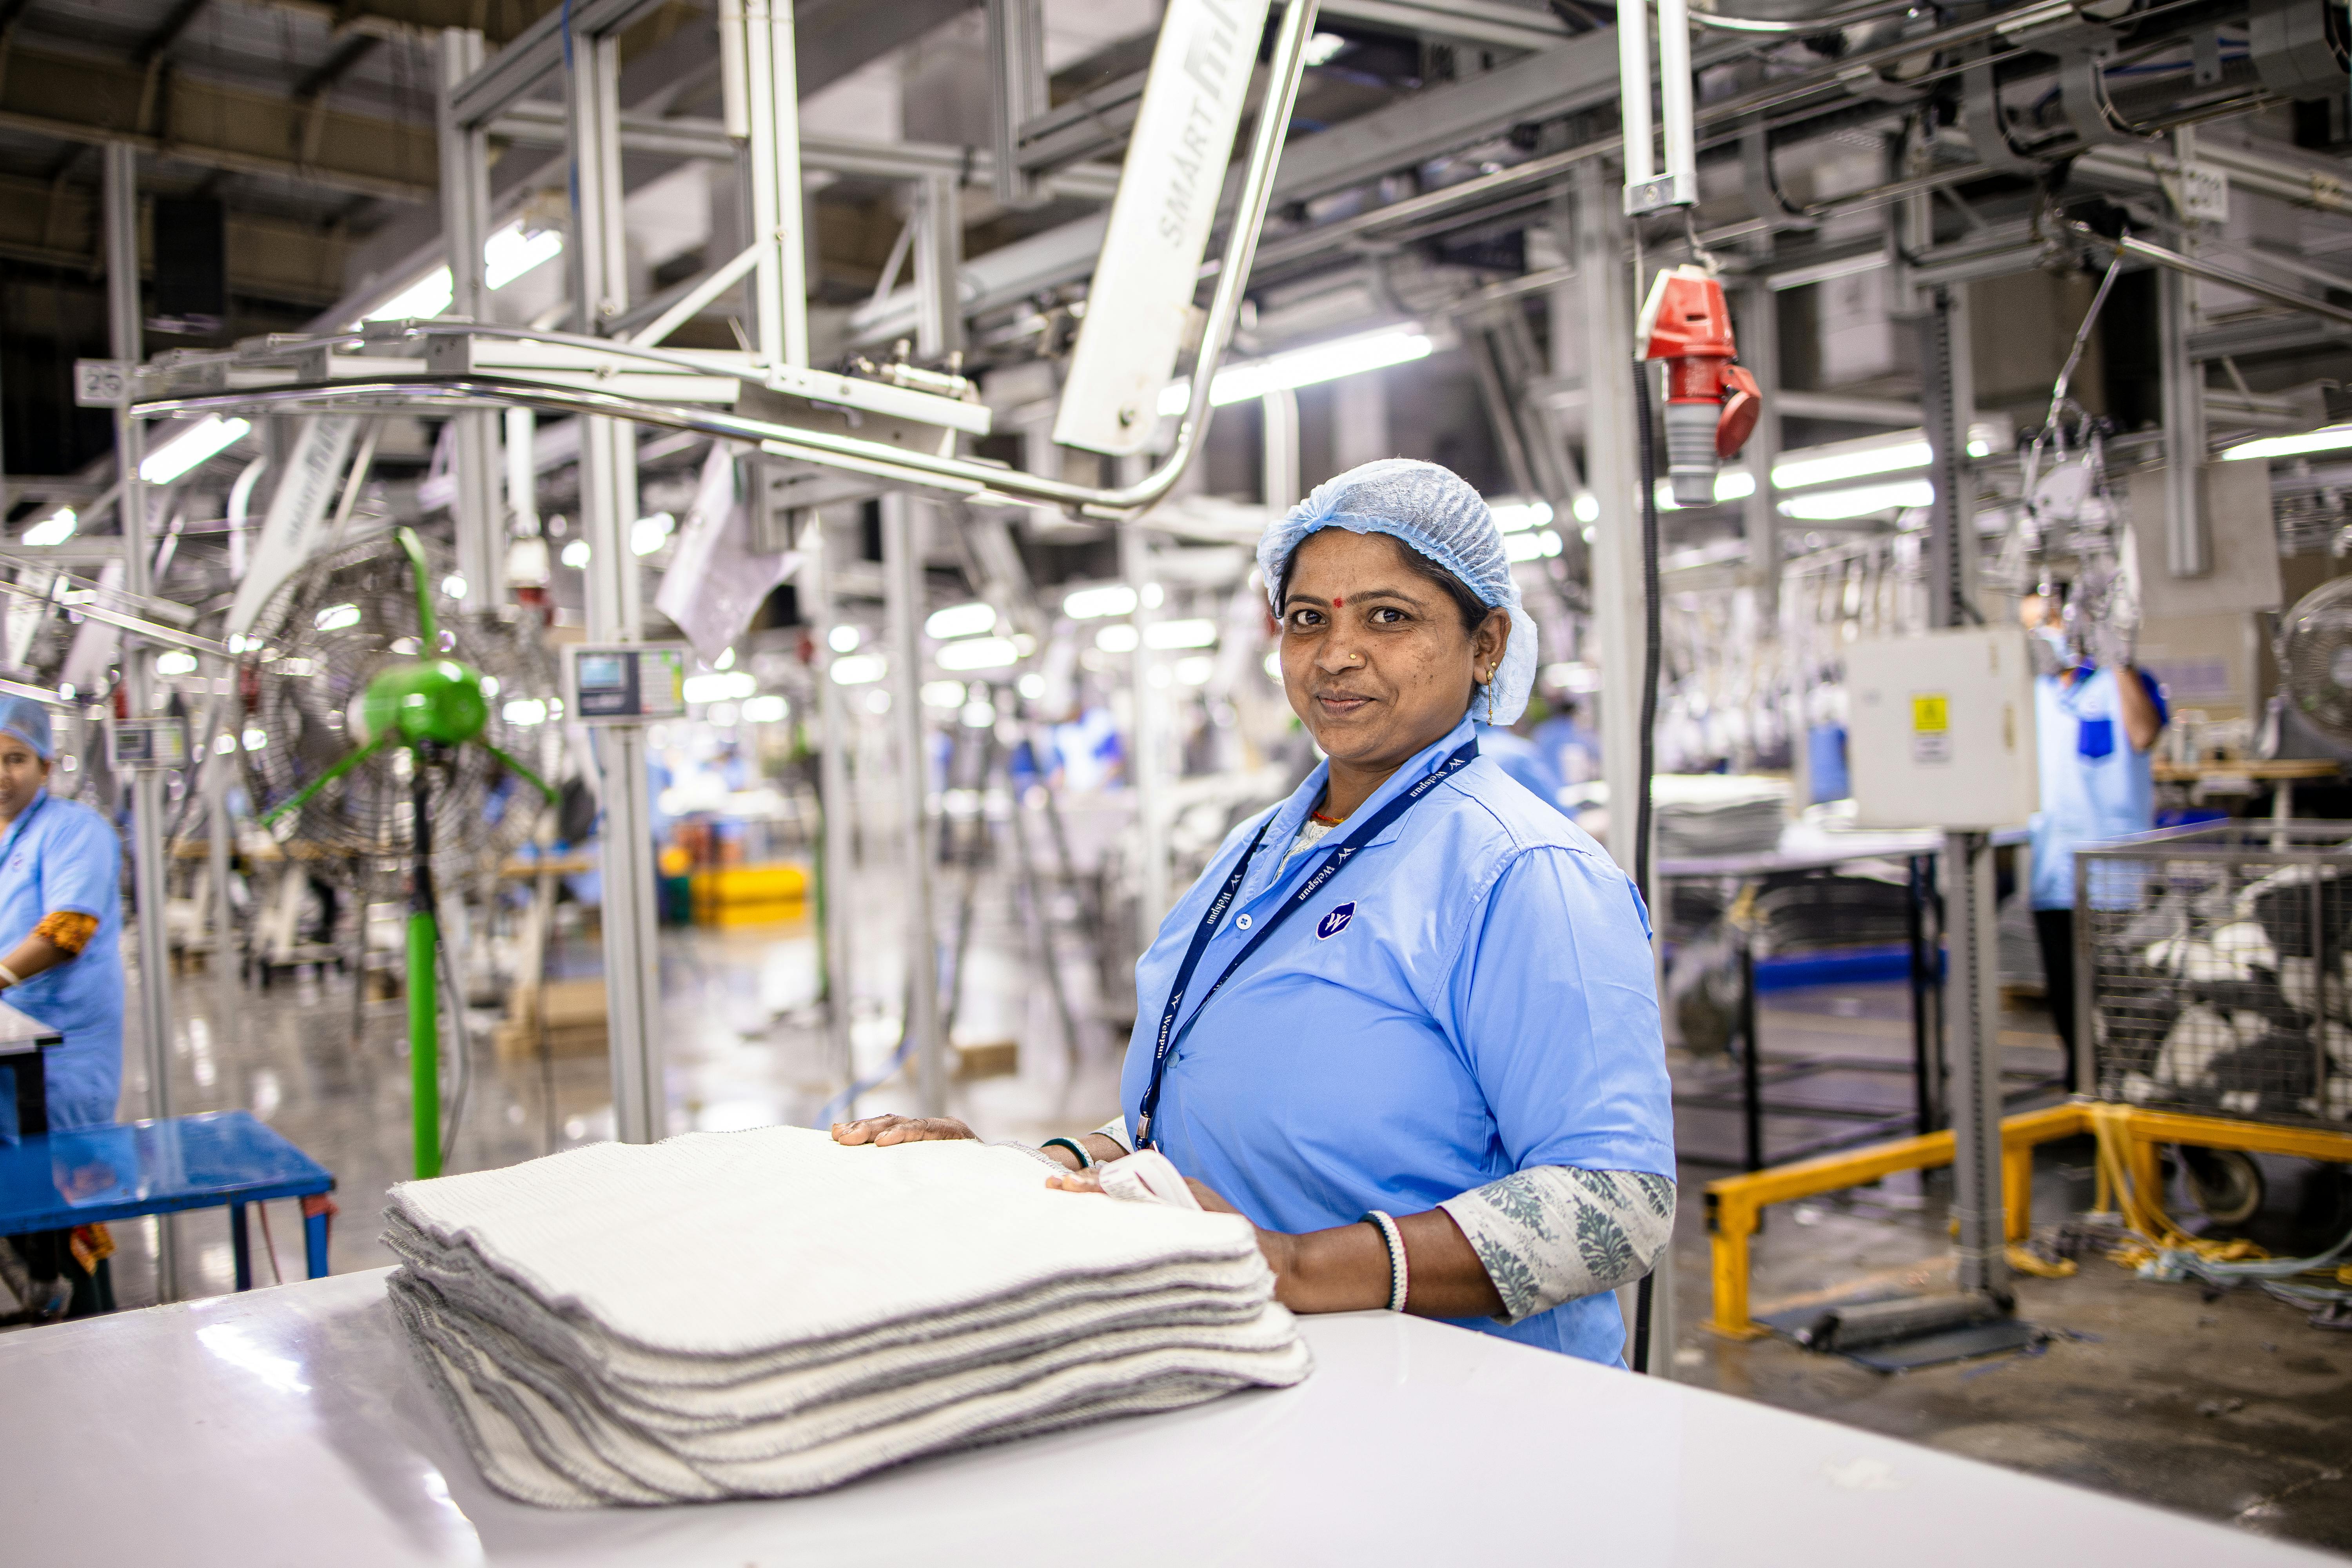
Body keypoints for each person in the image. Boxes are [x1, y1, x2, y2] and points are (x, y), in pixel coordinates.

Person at [837, 460, 1675, 1367]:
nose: (1336, 653)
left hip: (1471, 1403)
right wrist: (1035, 1166)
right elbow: (1196, 1112)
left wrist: (1299, 1267)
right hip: (1269, 1371)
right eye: (1308, 618)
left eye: (1390, 616)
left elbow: (1614, 1202)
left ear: (1487, 645)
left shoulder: (1520, 871)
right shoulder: (1260, 849)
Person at [0, 697, 126, 1318]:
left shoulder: (76, 831)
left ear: (46, 766)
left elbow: (69, 928)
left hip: (63, 1059)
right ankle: (41, 1308)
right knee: (18, 1203)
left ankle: (93, 1329)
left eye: (15, 759)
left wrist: (0, 974)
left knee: (68, 1200)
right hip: (9, 1051)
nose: (2, 774)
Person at [2021, 590, 2166, 1087]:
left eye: (2048, 623)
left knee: (2123, 1002)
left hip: (2115, 879)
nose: (2042, 637)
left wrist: (2116, 657)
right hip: (2053, 875)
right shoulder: (2035, 693)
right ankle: (2083, 1097)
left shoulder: (2121, 683)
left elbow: (2144, 733)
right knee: (2067, 1001)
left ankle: (2131, 1098)